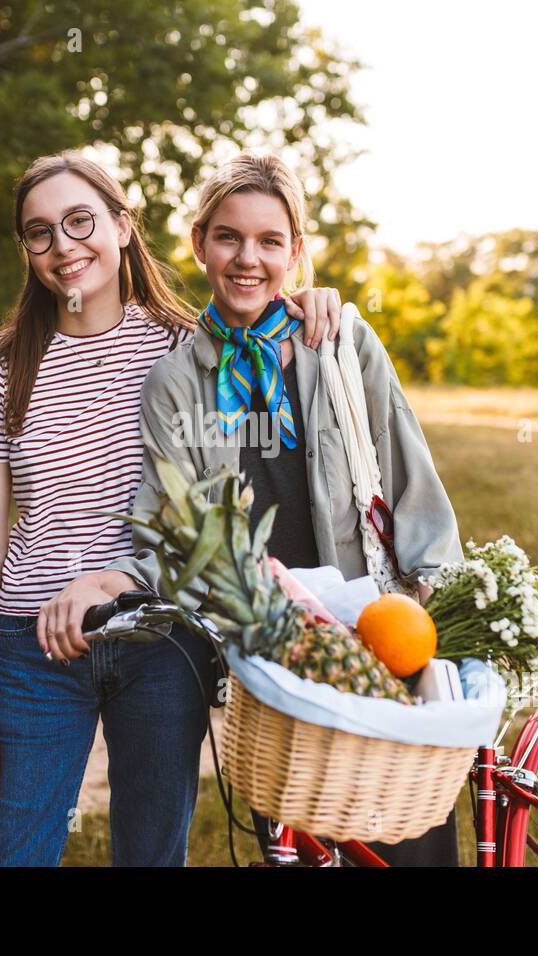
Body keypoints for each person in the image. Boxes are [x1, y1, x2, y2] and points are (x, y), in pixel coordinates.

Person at [61, 152, 466, 865]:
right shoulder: (176, 382)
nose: (248, 259)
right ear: (199, 244)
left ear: (296, 253)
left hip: (379, 625)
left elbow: (410, 476)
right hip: (271, 650)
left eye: (270, 241)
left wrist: (441, 597)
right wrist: (108, 580)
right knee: (300, 842)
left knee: (403, 840)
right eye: (229, 237)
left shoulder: (340, 342)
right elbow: (171, 523)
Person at [0, 149, 343, 866]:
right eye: (40, 232)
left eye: (80, 221)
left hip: (163, 642)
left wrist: (318, 299)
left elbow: (267, 318)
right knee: (11, 856)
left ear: (123, 226)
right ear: (26, 249)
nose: (63, 246)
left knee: (152, 857)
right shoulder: (1, 365)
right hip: (34, 649)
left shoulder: (187, 347)